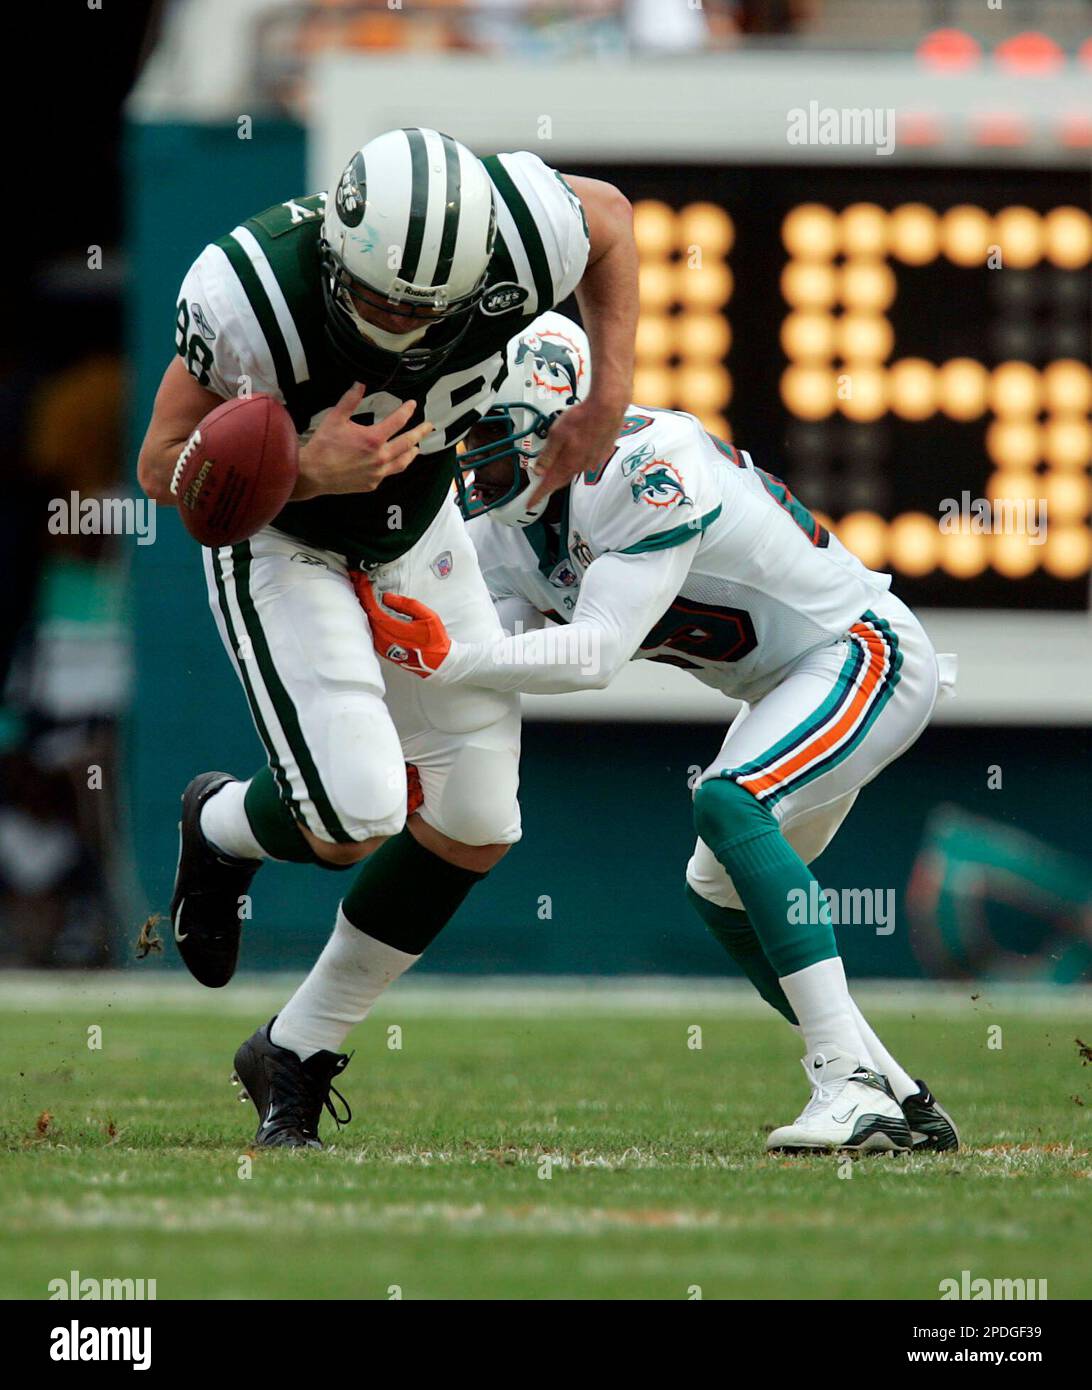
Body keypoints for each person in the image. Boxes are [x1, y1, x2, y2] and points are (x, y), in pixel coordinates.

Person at [137, 132, 637, 1148]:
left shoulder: (521, 230)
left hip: (418, 524)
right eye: (383, 301)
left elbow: (613, 219)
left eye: (428, 310)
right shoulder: (249, 292)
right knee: (354, 813)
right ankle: (222, 825)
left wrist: (611, 387)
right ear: (336, 254)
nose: (402, 328)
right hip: (285, 537)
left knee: (479, 816)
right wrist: (307, 471)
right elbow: (160, 467)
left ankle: (297, 1049)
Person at [357, 311, 960, 1154]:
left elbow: (592, 653)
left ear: (561, 414)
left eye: (491, 431)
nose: (476, 455)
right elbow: (493, 654)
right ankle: (896, 1093)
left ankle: (845, 1083)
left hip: (860, 649)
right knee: (716, 884)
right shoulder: (504, 530)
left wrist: (449, 657)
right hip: (783, 684)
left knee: (729, 803)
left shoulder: (644, 464)